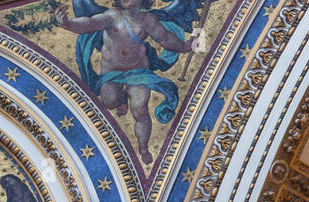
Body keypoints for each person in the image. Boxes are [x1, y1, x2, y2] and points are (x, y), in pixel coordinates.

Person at [55, 0, 200, 163]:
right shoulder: (111, 16)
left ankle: (143, 147)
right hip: (112, 74)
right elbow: (89, 23)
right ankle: (121, 100)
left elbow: (165, 39)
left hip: (138, 73)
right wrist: (68, 23)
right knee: (109, 102)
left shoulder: (147, 19)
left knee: (140, 109)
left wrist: (186, 46)